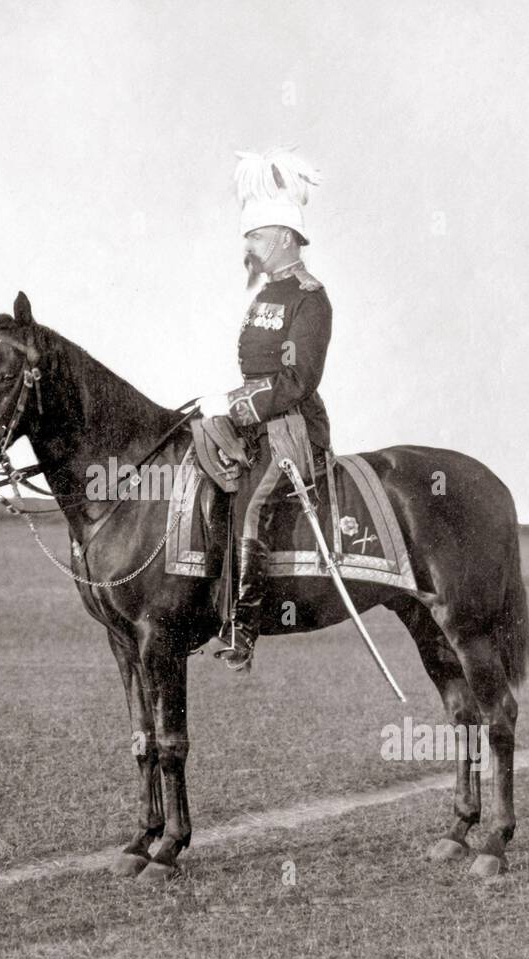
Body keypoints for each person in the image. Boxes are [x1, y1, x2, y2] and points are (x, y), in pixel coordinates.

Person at [198, 150, 333, 671]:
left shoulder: (309, 297)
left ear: (279, 235)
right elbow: (255, 371)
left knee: (252, 504)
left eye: (253, 236)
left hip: (293, 426)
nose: (248, 246)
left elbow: (297, 381)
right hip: (255, 416)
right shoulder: (263, 295)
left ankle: (243, 626)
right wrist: (222, 407)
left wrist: (233, 405)